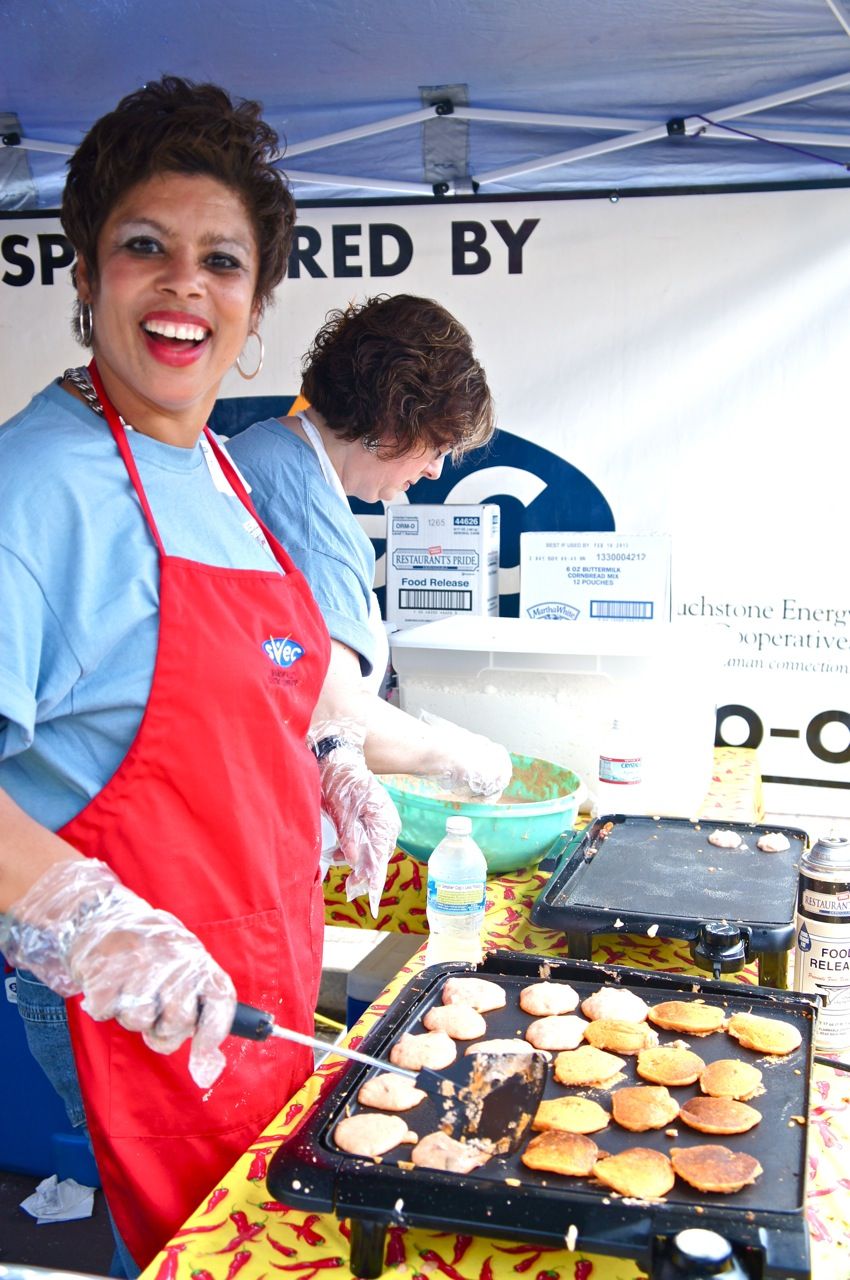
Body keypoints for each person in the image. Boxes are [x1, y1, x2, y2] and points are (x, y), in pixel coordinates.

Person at [0, 77, 365, 1274]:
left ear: (255, 304)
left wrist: (329, 760)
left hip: (265, 953)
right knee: (192, 1248)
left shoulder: (218, 467)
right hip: (141, 990)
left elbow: (252, 689)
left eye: (223, 260)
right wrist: (93, 920)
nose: (184, 285)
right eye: (143, 247)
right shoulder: (36, 488)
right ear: (85, 276)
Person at [228, 295, 514, 866]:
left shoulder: (265, 446)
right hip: (252, 831)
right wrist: (462, 755)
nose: (435, 469)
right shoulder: (309, 514)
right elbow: (334, 714)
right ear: (389, 425)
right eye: (436, 446)